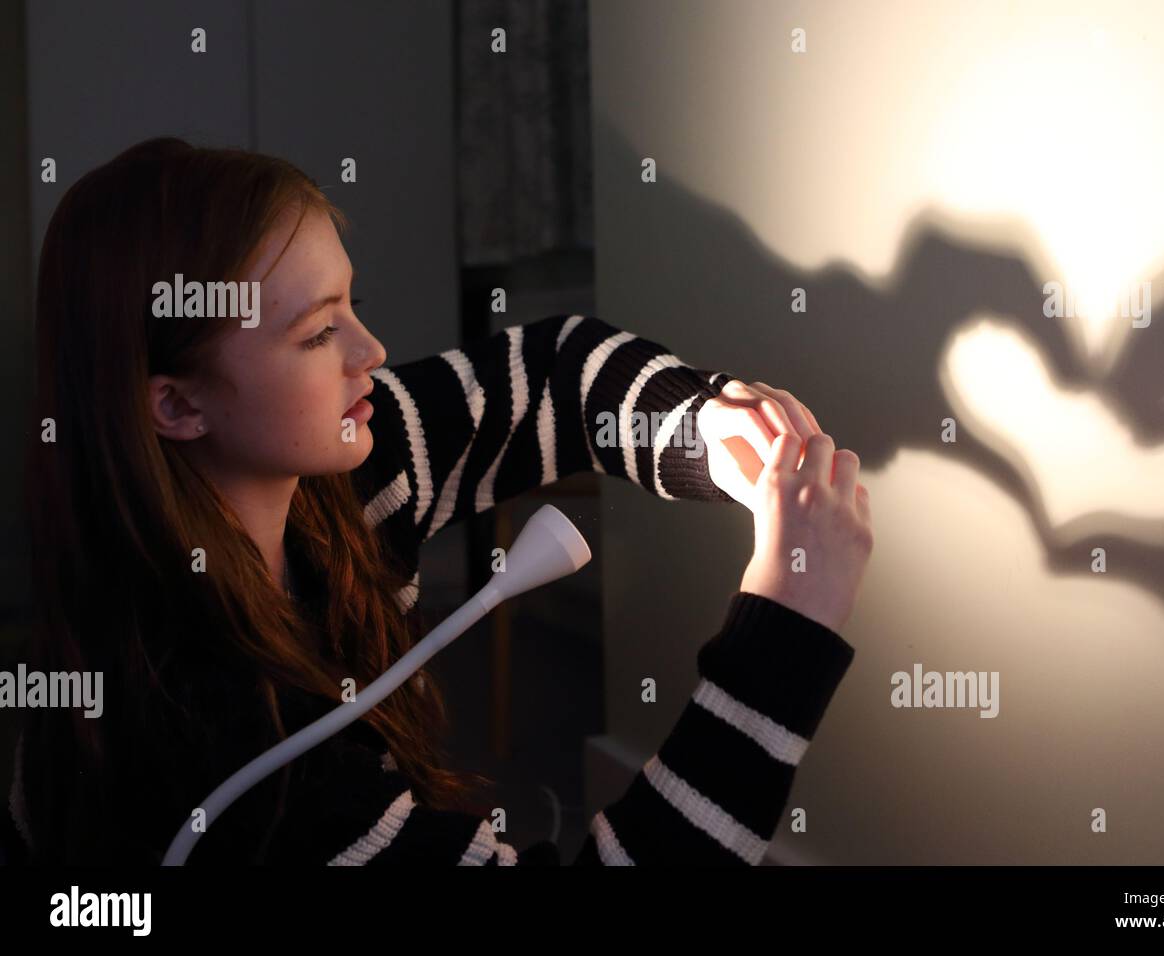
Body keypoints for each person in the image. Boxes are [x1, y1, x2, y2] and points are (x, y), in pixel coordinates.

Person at [8, 137, 873, 865]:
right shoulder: (234, 754)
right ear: (178, 404)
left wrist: (698, 425)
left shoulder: (347, 468)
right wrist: (785, 628)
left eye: (353, 305)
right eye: (316, 333)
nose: (371, 352)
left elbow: (554, 379)